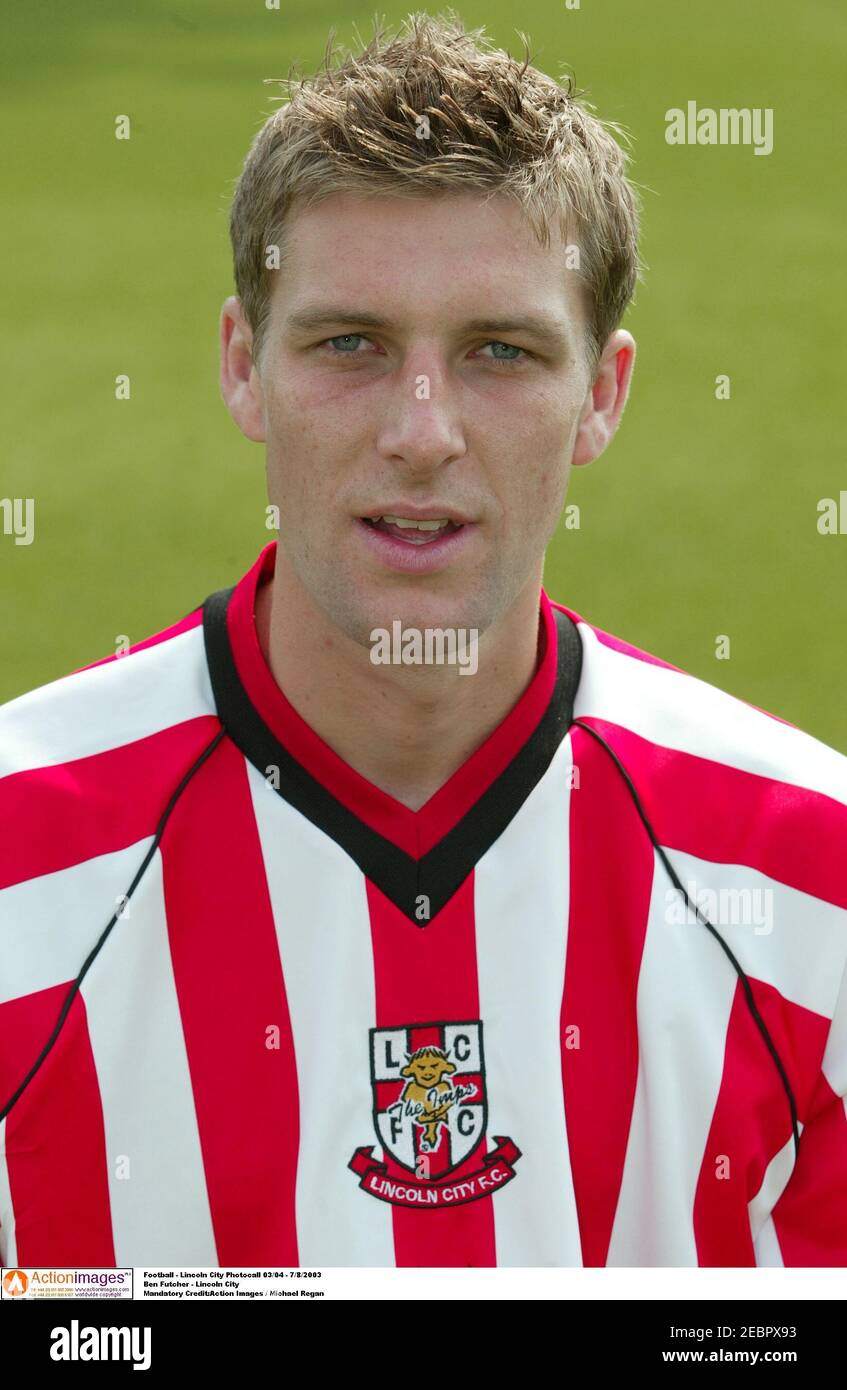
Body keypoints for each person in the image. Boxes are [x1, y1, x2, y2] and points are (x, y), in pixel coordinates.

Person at [1, 11, 845, 1271]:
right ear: (243, 367)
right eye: (351, 345)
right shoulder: (22, 868)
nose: (421, 432)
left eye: (499, 353)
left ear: (601, 395)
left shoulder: (806, 885)